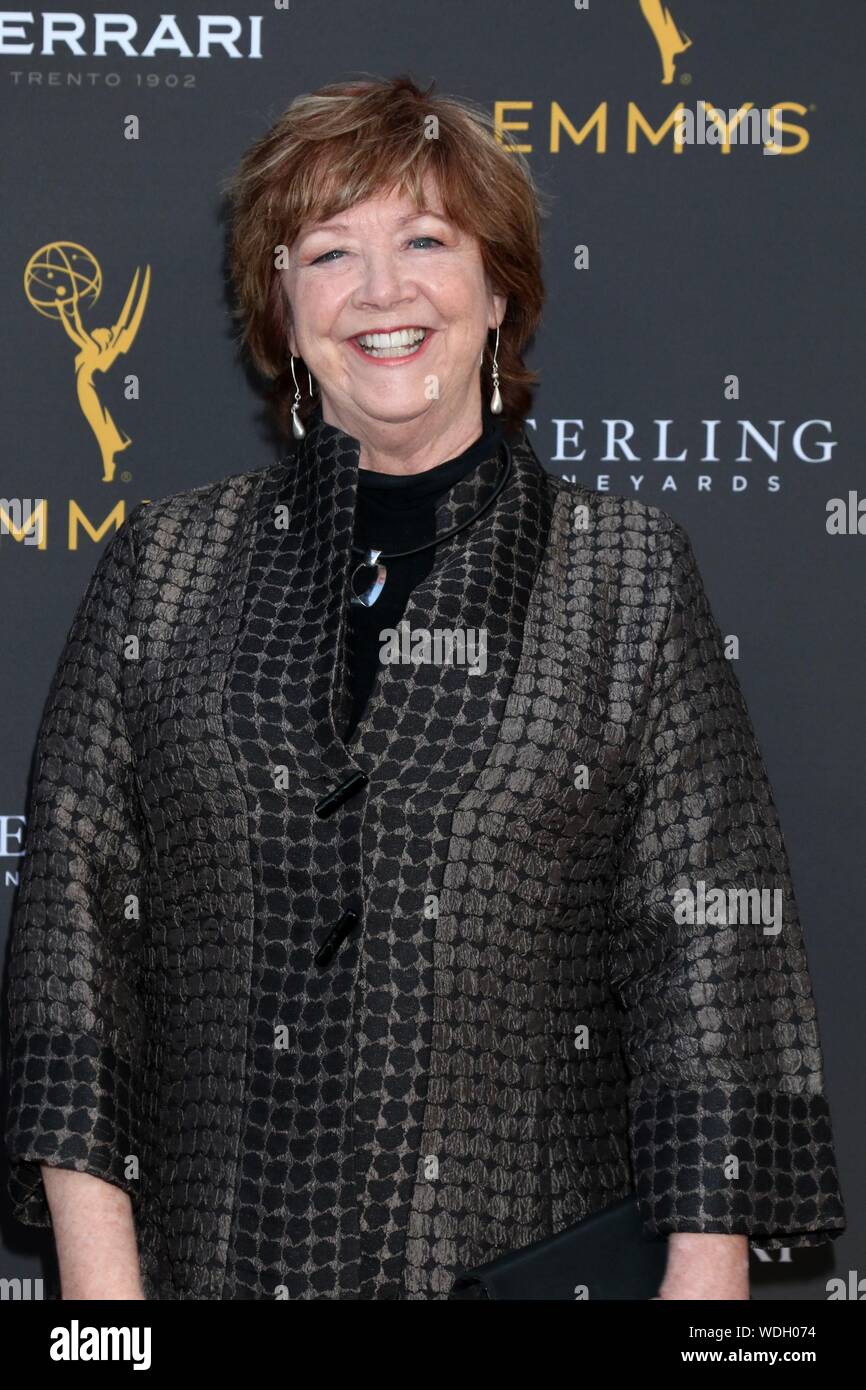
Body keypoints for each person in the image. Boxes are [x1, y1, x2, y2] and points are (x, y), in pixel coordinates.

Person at [4, 74, 845, 1301]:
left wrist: (699, 1305)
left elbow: (708, 956)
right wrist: (104, 1311)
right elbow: (73, 940)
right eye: (330, 251)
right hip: (214, 1269)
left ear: (497, 292)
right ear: (282, 312)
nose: (382, 290)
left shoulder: (622, 574)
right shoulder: (163, 569)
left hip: (521, 1261)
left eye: (426, 241)